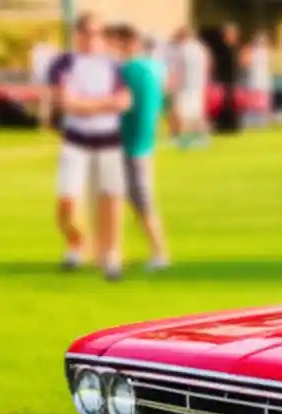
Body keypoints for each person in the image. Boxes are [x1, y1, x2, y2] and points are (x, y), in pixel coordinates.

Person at [49, 13, 131, 280]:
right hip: (77, 139)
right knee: (67, 198)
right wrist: (102, 104)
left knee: (110, 197)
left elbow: (124, 101)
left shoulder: (112, 65)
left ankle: (111, 253)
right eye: (88, 32)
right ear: (79, 34)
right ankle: (76, 242)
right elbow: (67, 102)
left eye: (97, 33)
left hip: (107, 139)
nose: (93, 38)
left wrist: (88, 104)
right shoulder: (65, 63)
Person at [113, 24, 170, 271]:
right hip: (143, 142)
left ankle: (159, 252)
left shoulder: (129, 70)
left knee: (140, 199)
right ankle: (145, 250)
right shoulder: (154, 68)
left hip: (131, 143)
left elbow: (125, 106)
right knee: (133, 198)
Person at [172, 27, 210, 148]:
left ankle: (185, 139)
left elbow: (178, 70)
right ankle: (201, 138)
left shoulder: (182, 50)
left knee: (183, 114)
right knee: (197, 113)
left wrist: (174, 85)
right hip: (198, 86)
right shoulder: (199, 49)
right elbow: (207, 65)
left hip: (185, 86)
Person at [216, 23, 242, 133]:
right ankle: (224, 125)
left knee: (232, 104)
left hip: (232, 80)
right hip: (225, 80)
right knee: (224, 104)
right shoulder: (223, 49)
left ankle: (231, 125)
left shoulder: (234, 49)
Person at [244, 31, 272, 127]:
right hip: (255, 80)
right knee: (254, 101)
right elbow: (246, 63)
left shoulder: (264, 52)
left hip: (262, 80)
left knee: (262, 101)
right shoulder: (253, 52)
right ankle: (254, 120)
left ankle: (262, 121)